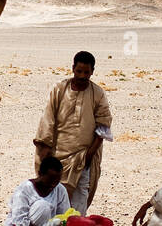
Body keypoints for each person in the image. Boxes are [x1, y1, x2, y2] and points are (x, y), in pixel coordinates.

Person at [33, 50, 113, 215]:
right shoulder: (59, 90)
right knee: (50, 202)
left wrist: (89, 155)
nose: (82, 76)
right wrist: (45, 153)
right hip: (56, 158)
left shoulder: (97, 93)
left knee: (77, 208)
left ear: (92, 72)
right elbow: (47, 120)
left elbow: (103, 126)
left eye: (86, 72)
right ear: (73, 69)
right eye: (79, 71)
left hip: (82, 159)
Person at [4, 156, 72, 226]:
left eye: (57, 181)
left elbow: (64, 216)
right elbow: (18, 220)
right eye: (50, 180)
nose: (53, 184)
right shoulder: (24, 189)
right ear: (40, 174)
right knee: (43, 206)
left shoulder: (60, 190)